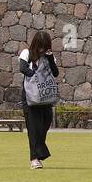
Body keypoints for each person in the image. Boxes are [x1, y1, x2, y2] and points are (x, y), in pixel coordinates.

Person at [19, 30, 59, 169]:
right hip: (30, 96)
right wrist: (35, 76)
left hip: (45, 96)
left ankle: (40, 152)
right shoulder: (27, 53)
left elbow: (55, 73)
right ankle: (35, 159)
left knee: (45, 124)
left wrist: (50, 57)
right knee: (33, 127)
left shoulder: (49, 57)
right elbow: (23, 68)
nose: (42, 48)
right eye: (41, 45)